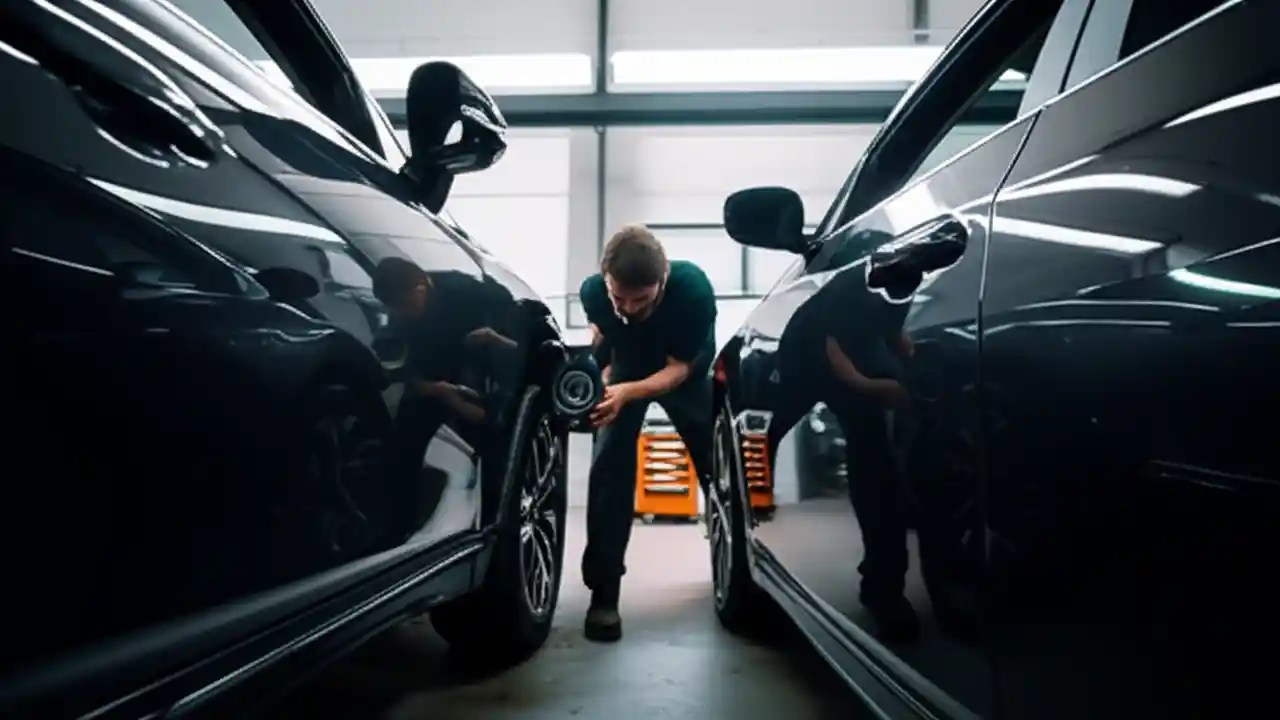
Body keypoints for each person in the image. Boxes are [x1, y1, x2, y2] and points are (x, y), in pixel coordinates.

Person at [578, 224, 717, 642]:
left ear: (664, 281)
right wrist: (600, 377)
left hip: (684, 370)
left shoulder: (692, 289)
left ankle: (740, 567)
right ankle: (604, 595)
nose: (628, 307)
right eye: (618, 296)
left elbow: (677, 369)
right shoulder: (594, 293)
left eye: (642, 299)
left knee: (716, 466)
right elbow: (607, 332)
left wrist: (628, 391)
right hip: (631, 364)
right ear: (605, 278)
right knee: (609, 469)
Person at [768, 262, 920, 642]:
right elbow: (842, 367)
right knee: (766, 435)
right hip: (806, 359)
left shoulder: (913, 277)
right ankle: (752, 526)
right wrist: (878, 388)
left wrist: (905, 359)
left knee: (875, 461)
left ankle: (882, 589)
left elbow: (894, 330)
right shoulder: (849, 285)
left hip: (856, 347)